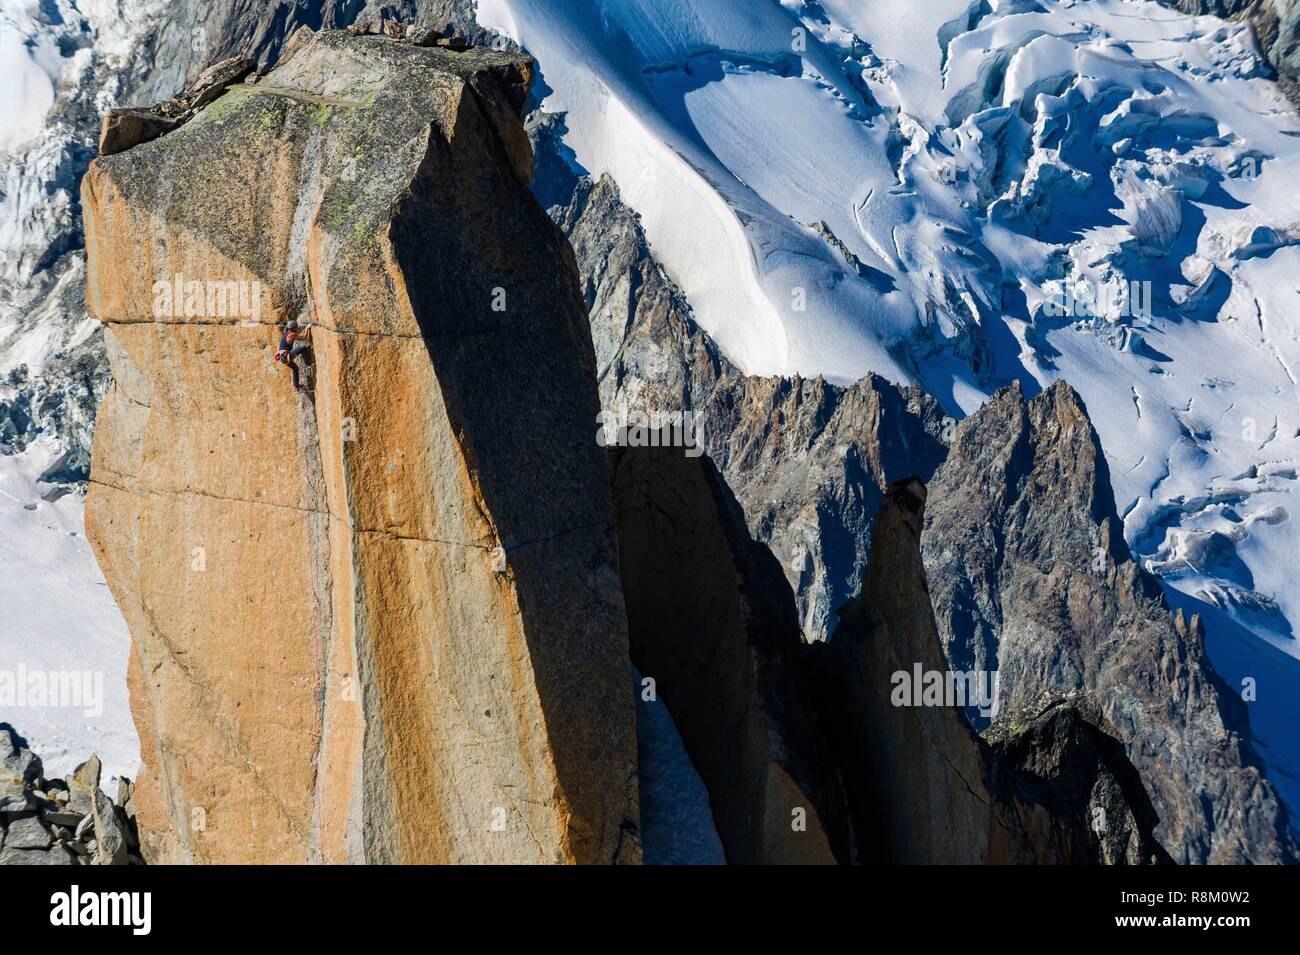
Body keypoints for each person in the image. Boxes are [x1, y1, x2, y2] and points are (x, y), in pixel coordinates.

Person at [274, 320, 312, 390]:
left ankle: (297, 386)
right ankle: (307, 364)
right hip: (286, 355)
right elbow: (303, 337)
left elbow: (300, 336)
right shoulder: (291, 334)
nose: (297, 329)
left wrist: (305, 328)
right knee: (303, 347)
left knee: (295, 369)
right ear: (293, 328)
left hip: (284, 358)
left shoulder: (287, 334)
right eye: (296, 327)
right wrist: (307, 328)